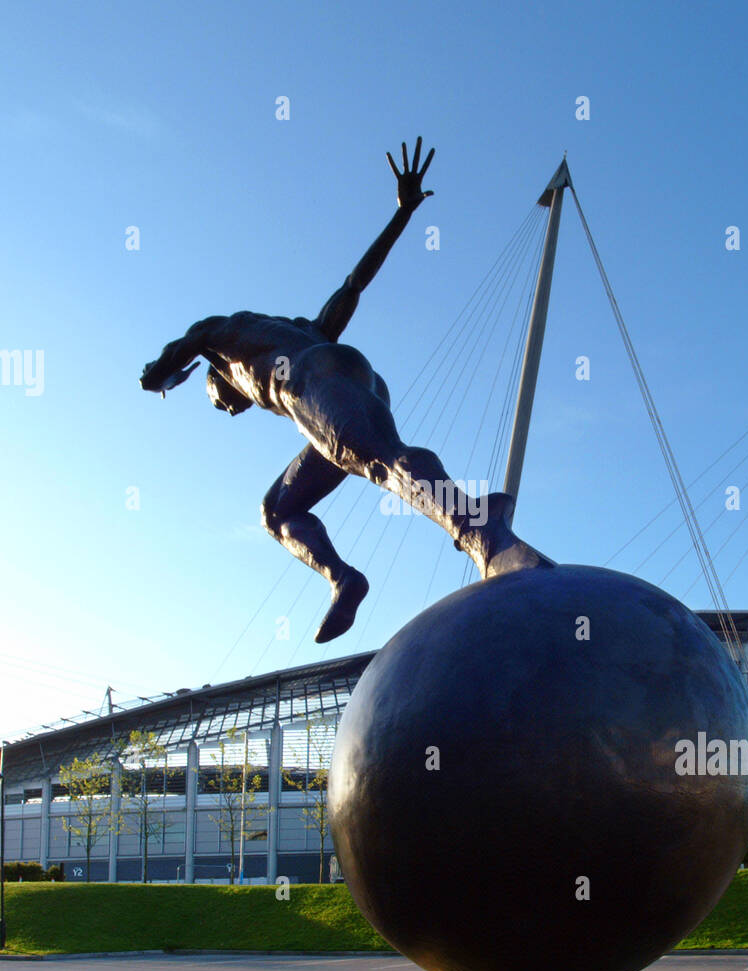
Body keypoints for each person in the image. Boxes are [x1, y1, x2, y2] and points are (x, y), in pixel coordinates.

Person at [141, 139, 546, 642]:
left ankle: (483, 532)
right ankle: (344, 579)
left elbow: (193, 338)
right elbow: (355, 283)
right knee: (277, 510)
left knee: (386, 462)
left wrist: (158, 373)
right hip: (349, 375)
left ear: (218, 378)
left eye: (224, 404)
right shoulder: (303, 330)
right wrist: (402, 214)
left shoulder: (229, 342)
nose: (232, 409)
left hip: (313, 382)